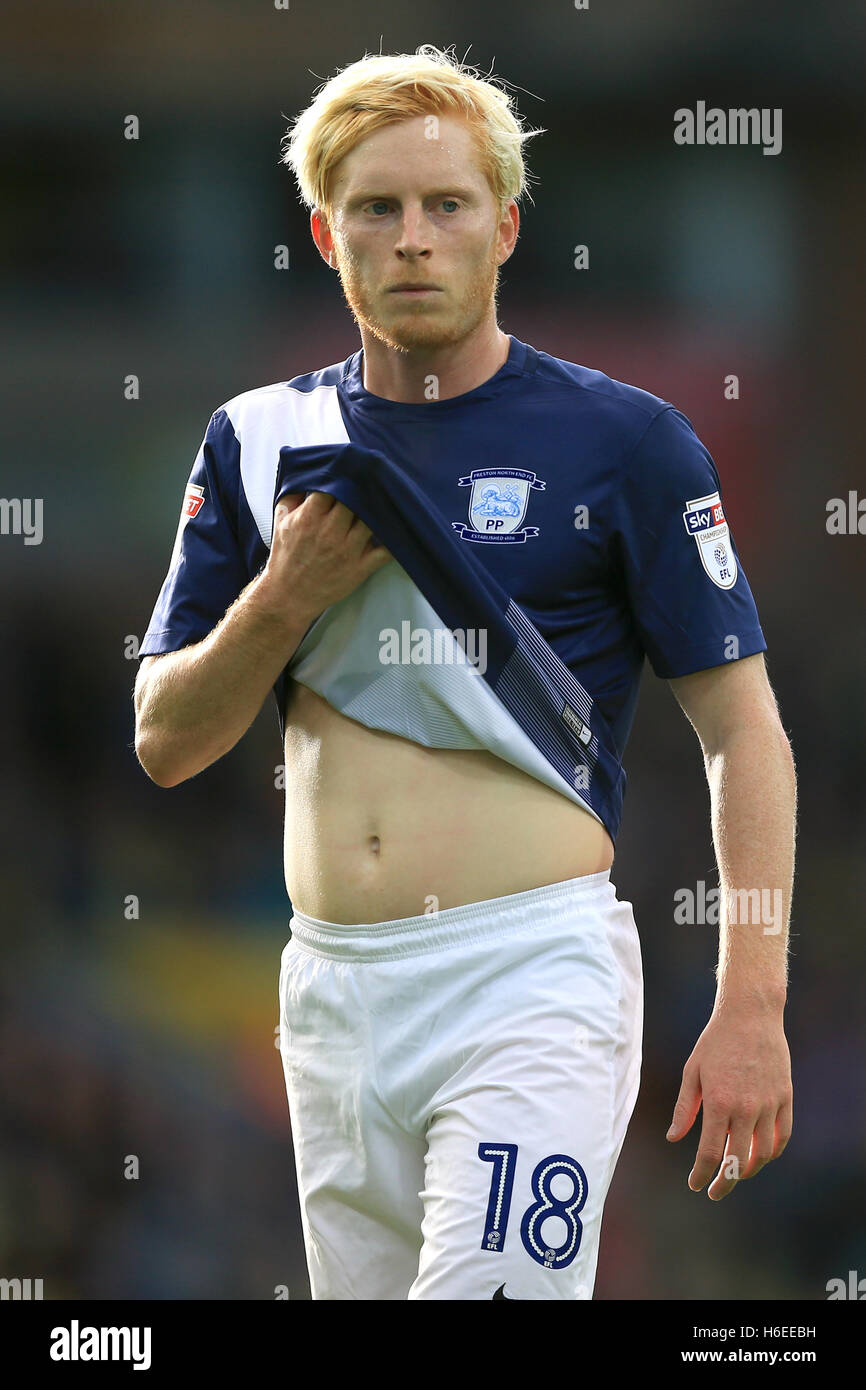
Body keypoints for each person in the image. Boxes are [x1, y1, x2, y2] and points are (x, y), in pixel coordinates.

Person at [133, 44, 796, 1301]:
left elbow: (740, 732)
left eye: (446, 205)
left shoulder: (627, 441)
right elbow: (165, 738)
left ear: (504, 225)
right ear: (327, 237)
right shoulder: (258, 438)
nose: (414, 238)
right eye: (377, 209)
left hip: (526, 976)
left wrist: (749, 997)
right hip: (328, 992)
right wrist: (285, 596)